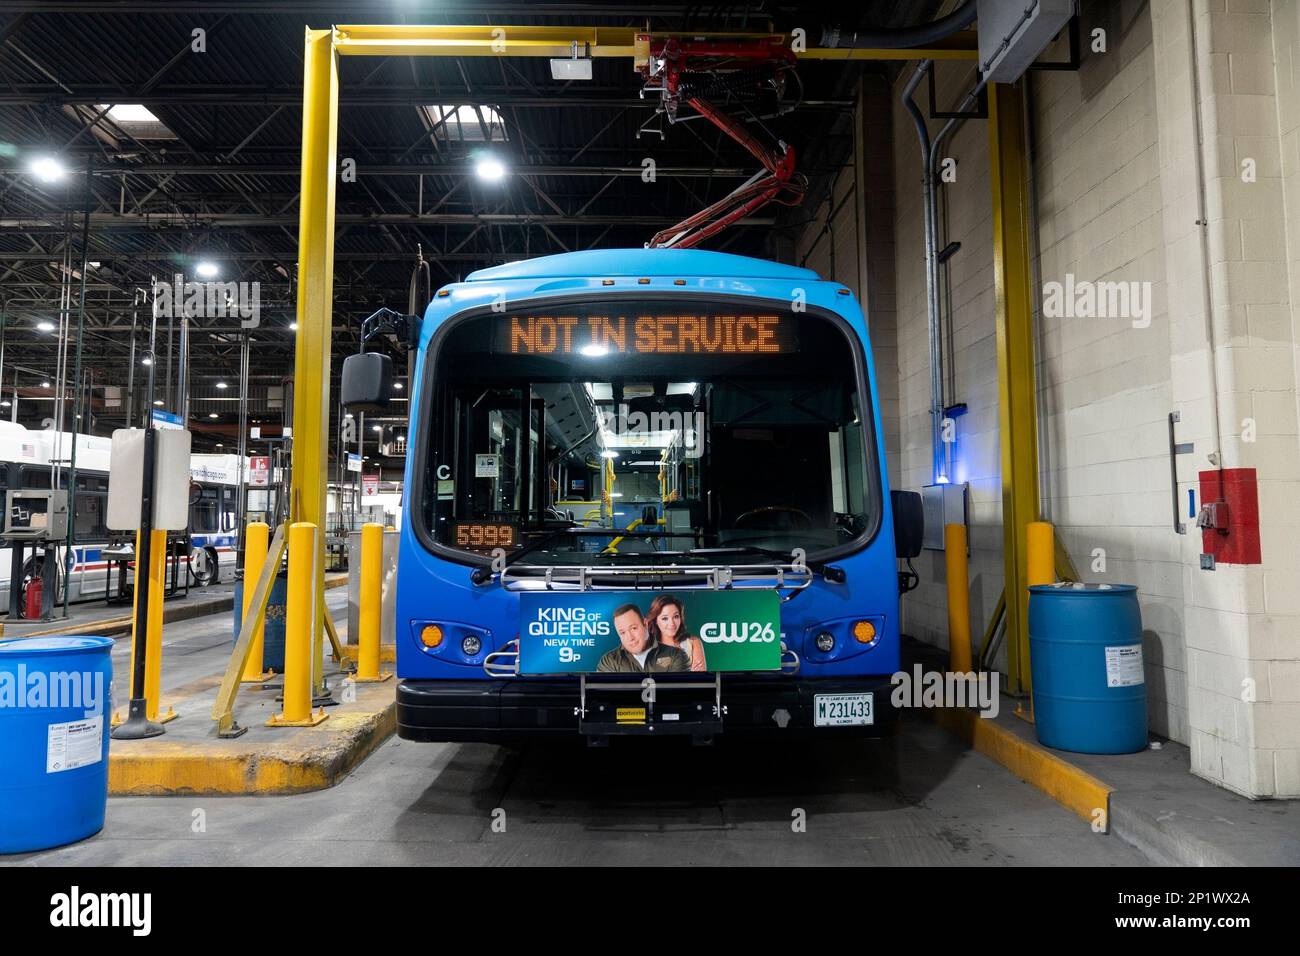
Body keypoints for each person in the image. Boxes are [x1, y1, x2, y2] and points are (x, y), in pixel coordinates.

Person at [595, 603, 689, 673]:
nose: (630, 638)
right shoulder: (609, 661)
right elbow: (606, 693)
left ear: (645, 624)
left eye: (634, 628)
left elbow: (677, 692)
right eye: (622, 633)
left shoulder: (676, 655)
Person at [645, 594, 706, 672]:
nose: (672, 623)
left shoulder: (693, 643)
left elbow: (700, 677)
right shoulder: (649, 648)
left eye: (676, 616)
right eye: (665, 618)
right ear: (656, 620)